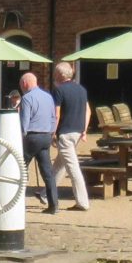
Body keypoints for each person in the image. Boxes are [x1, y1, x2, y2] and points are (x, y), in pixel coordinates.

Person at [49, 61, 91, 212]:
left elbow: (57, 114)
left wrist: (52, 132)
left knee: (73, 168)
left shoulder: (58, 90)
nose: (54, 76)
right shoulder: (81, 89)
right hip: (77, 132)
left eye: (55, 73)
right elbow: (88, 111)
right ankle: (46, 193)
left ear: (59, 75)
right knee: (59, 165)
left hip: (65, 133)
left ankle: (82, 202)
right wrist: (84, 130)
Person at [17, 72, 59, 215]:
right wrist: (51, 133)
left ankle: (18, 202)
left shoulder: (27, 98)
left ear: (24, 84)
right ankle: (53, 205)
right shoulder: (48, 96)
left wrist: (20, 138)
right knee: (48, 172)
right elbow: (54, 118)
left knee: (20, 169)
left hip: (32, 136)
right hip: (46, 136)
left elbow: (24, 123)